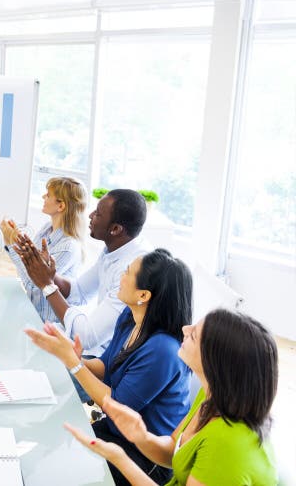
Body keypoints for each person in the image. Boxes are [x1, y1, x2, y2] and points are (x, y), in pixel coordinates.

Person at [27, 249, 193, 485]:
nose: (121, 277)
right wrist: (71, 356)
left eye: (127, 272)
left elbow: (116, 404)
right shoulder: (130, 316)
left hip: (143, 457)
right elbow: (105, 366)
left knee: (53, 468)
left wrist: (74, 364)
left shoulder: (162, 350)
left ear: (143, 295)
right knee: (46, 447)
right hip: (116, 433)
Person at [66, 309, 279, 486]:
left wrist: (120, 459)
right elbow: (174, 450)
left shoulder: (228, 447)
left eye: (194, 334)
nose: (185, 329)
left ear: (214, 364)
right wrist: (141, 436)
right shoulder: (213, 394)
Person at [15, 189, 150, 359]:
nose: (91, 215)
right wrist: (48, 273)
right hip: (94, 348)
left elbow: (87, 337)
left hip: (106, 361)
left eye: (98, 214)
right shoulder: (116, 248)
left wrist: (47, 285)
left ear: (115, 229)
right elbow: (79, 291)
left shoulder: (133, 270)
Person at [1, 176, 87, 323]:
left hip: (49, 324)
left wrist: (11, 243)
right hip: (34, 312)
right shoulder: (47, 229)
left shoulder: (68, 248)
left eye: (48, 195)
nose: (43, 197)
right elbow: (30, 261)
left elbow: (34, 282)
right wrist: (14, 237)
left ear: (61, 206)